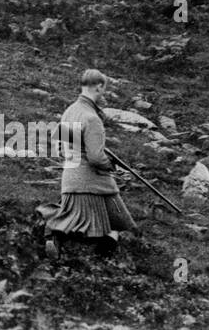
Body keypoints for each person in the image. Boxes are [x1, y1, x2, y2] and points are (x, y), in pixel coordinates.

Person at [43, 69, 138, 260]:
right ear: (100, 86)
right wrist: (111, 165)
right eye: (103, 89)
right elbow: (95, 158)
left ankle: (56, 236)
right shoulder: (93, 118)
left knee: (76, 217)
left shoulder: (69, 111)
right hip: (94, 185)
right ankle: (100, 260)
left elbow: (62, 149)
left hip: (69, 181)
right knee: (122, 225)